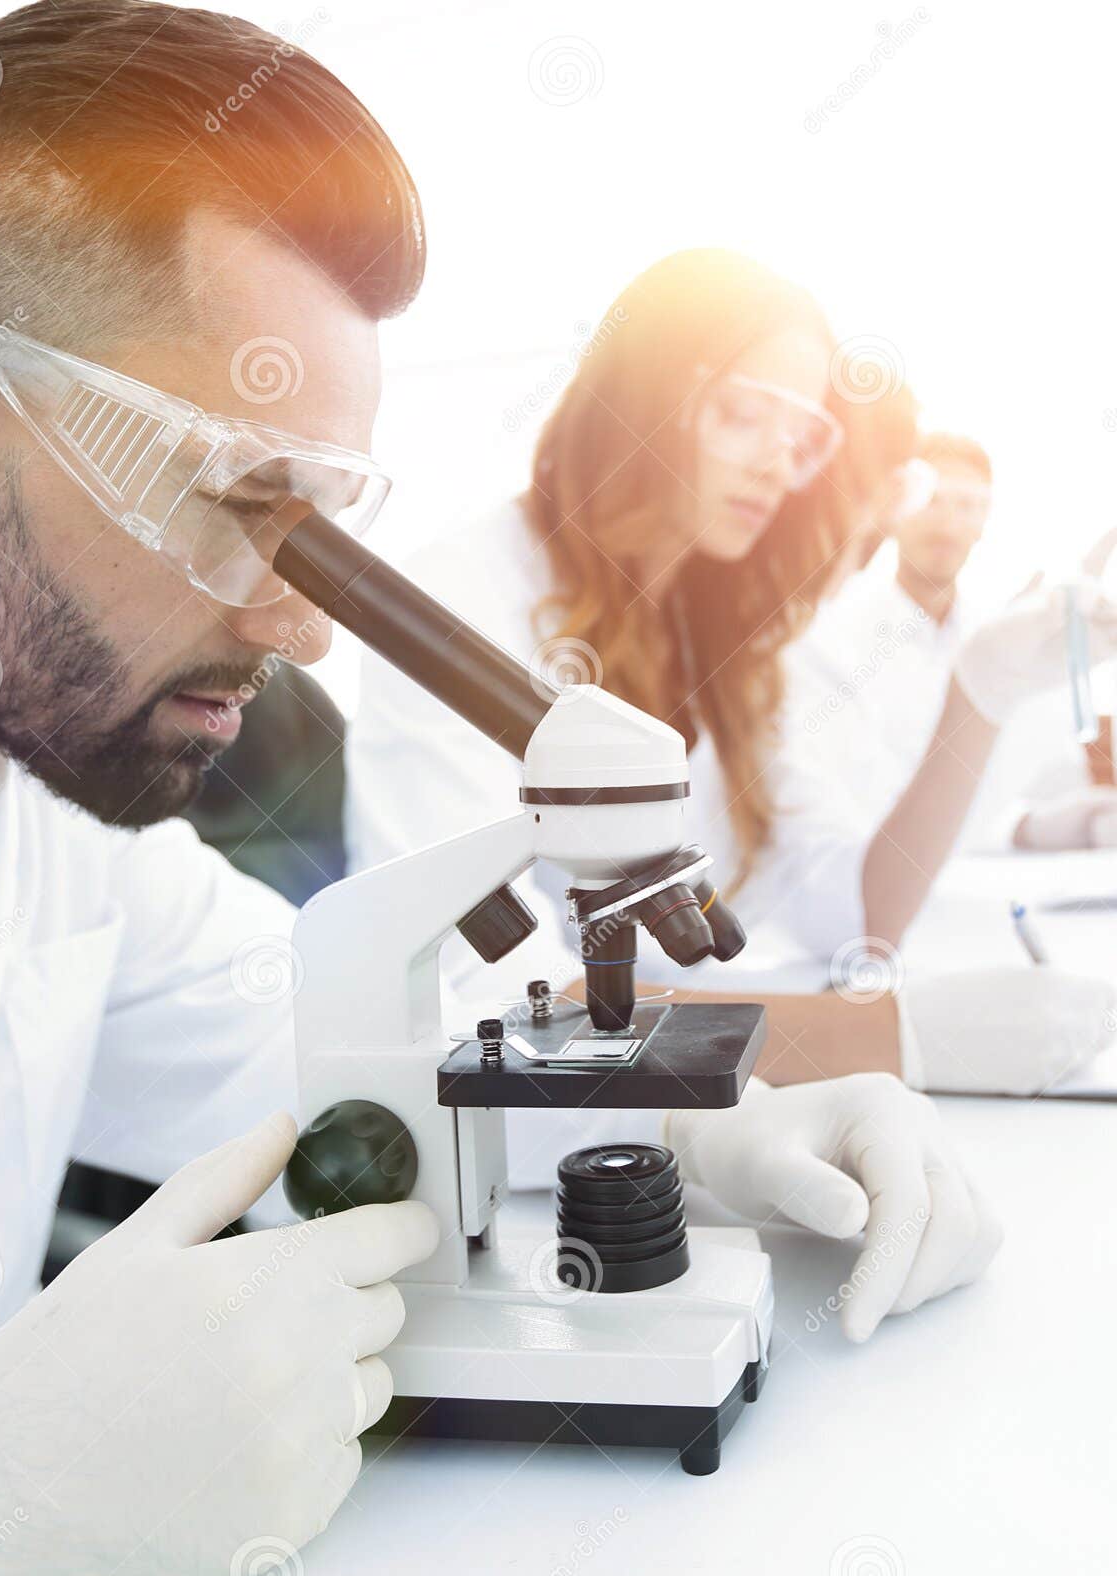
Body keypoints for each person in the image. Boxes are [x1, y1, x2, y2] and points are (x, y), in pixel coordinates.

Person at [0, 7, 1005, 1576]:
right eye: (243, 503)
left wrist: (696, 1120)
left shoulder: (31, 808)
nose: (304, 624)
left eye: (328, 531)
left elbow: (332, 1054)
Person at [346, 251, 1117, 1114]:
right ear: (641, 391)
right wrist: (887, 1040)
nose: (775, 466)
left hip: (685, 1111)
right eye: (745, 415)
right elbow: (495, 1005)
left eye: (802, 438)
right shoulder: (456, 599)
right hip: (545, 1149)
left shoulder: (710, 634)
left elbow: (857, 907)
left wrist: (980, 697)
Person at [785, 432, 1117, 852]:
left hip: (996, 888)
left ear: (985, 520)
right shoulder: (832, 635)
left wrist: (1034, 825)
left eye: (967, 505)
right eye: (932, 500)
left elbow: (1037, 782)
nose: (947, 523)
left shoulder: (1006, 640)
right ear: (898, 506)